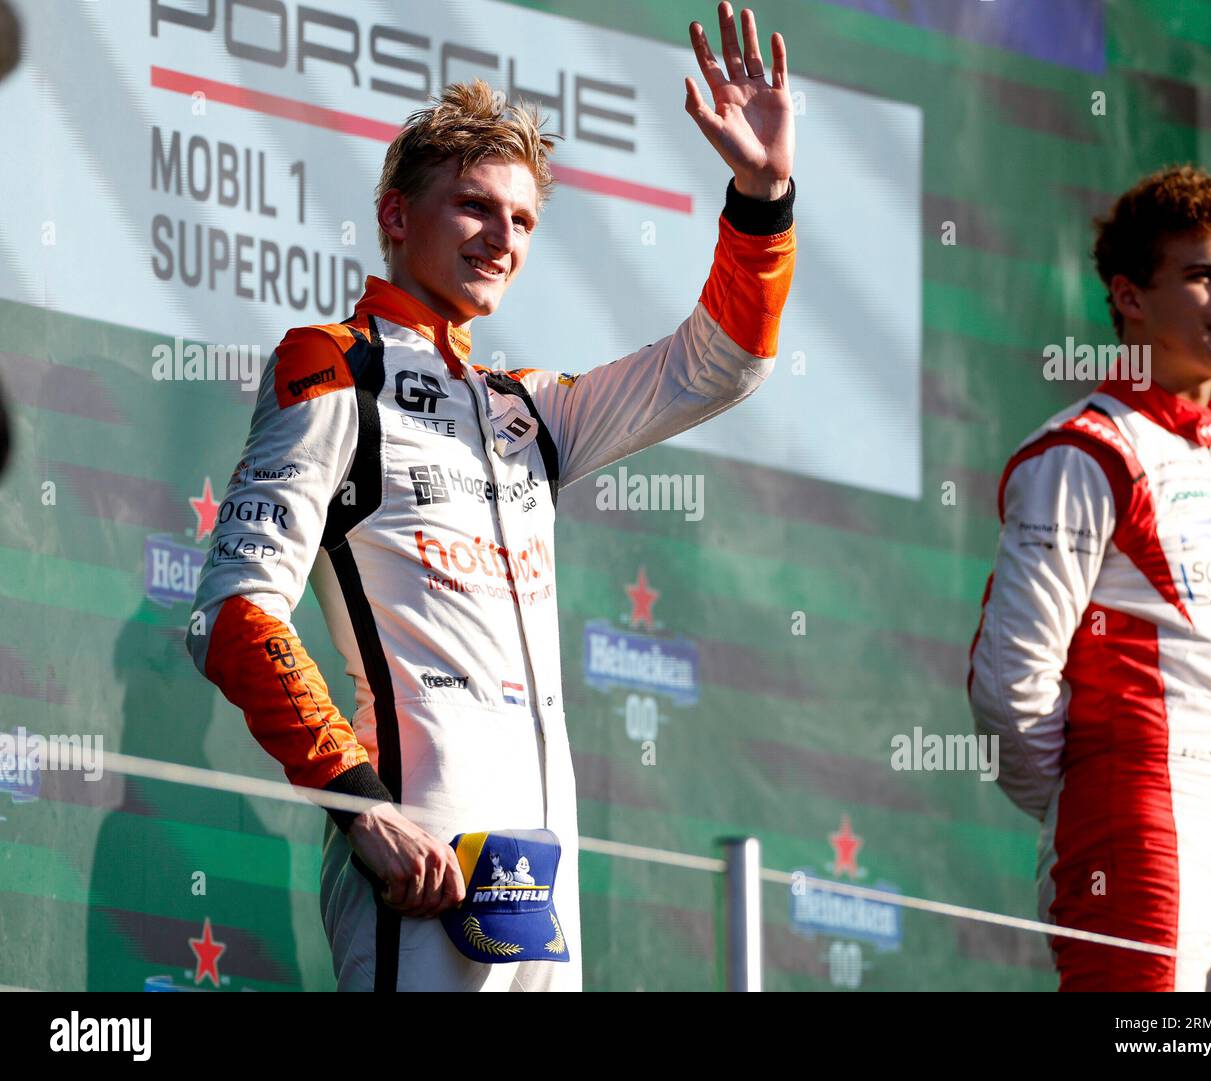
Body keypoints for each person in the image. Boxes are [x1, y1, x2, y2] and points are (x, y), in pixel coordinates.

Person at [186, 3, 796, 992]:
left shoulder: (529, 413)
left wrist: (761, 196)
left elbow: (717, 367)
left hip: (540, 881)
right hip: (418, 863)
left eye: (521, 220)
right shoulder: (335, 367)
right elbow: (235, 616)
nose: (501, 238)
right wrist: (360, 804)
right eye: (473, 206)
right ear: (395, 215)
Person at [968, 164, 1211, 991]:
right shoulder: (1085, 452)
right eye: (1202, 275)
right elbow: (1010, 684)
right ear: (1129, 297)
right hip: (1136, 819)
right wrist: (1099, 796)